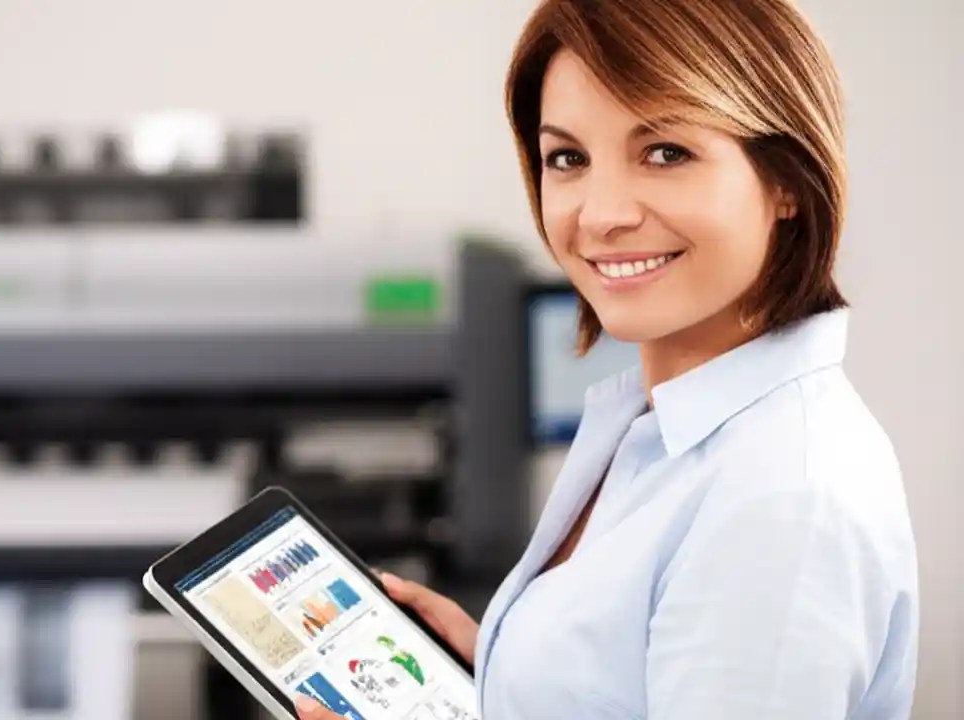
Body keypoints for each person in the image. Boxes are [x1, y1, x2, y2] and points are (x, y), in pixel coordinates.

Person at [296, 0, 918, 717]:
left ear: (785, 179)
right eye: (568, 158)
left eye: (666, 152)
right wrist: (515, 678)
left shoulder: (781, 499)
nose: (600, 214)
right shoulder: (654, 425)